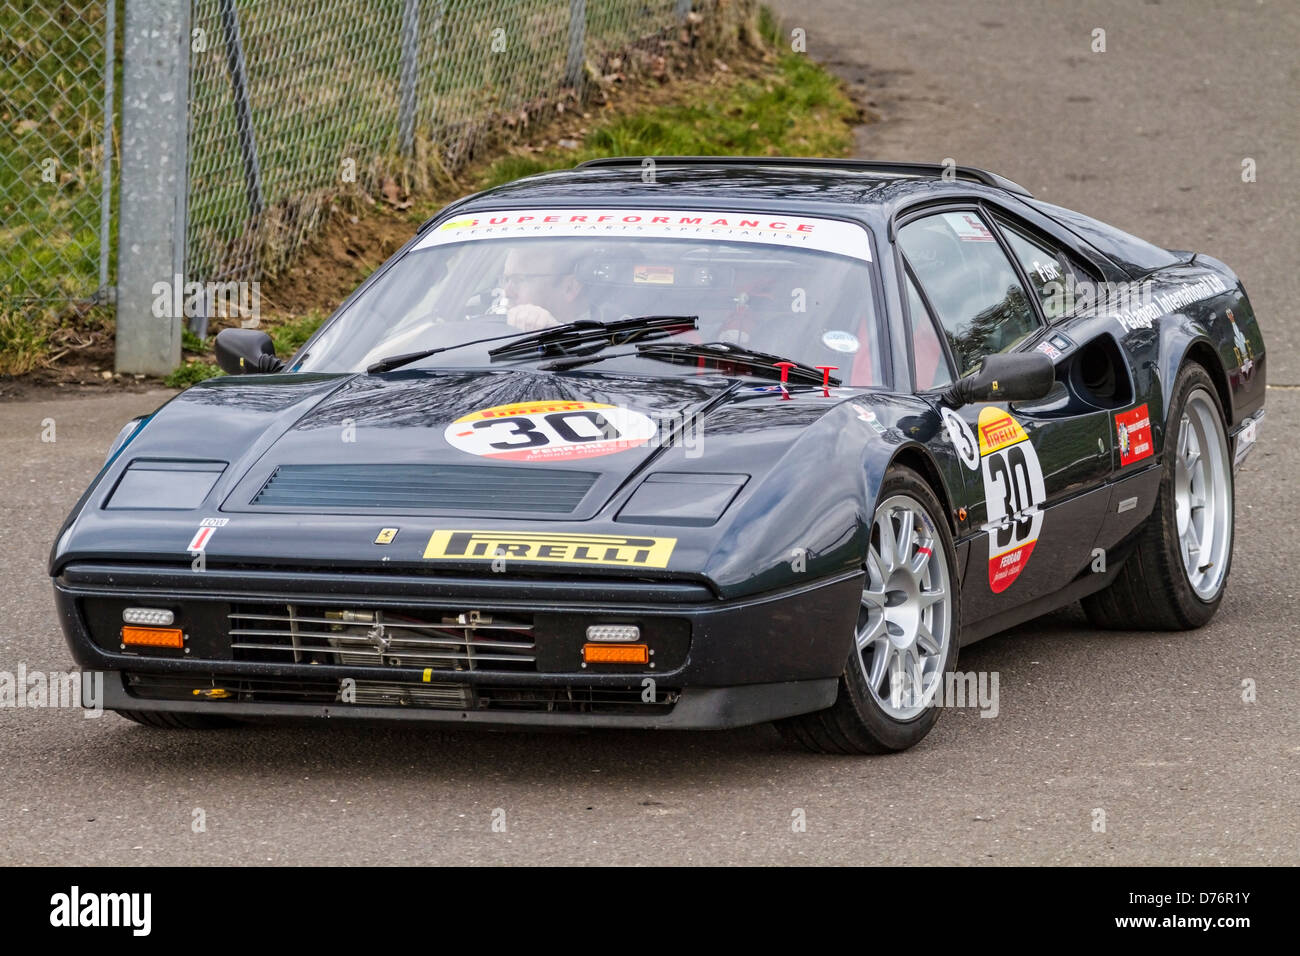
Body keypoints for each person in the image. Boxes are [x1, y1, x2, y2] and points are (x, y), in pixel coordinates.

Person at [501, 245, 590, 331]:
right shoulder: (494, 327)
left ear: (569, 288)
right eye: (506, 279)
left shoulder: (599, 337)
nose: (507, 293)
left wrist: (555, 332)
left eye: (519, 280)